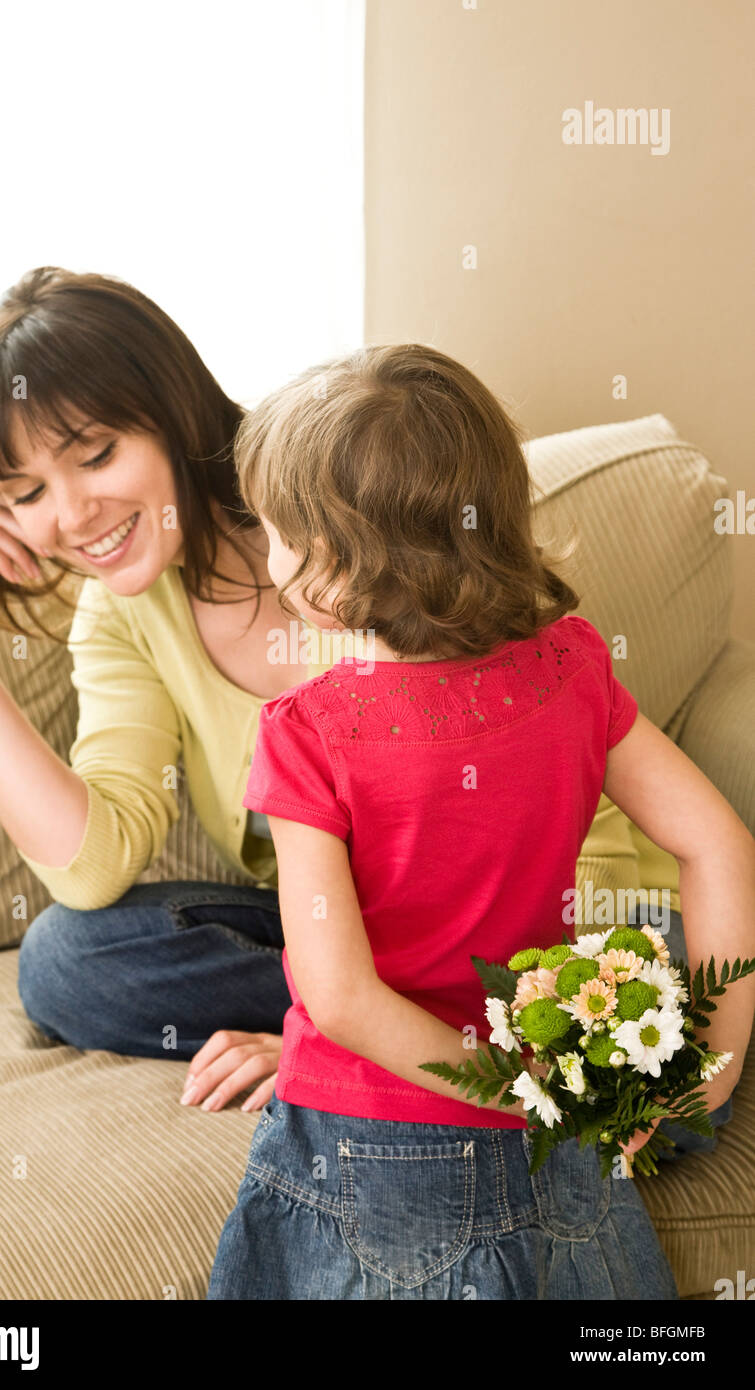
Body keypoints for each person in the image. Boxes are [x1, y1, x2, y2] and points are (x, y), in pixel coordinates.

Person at [205, 343, 755, 1300]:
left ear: (331, 572)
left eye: (275, 529)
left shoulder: (306, 734)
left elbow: (337, 1000)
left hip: (372, 1139)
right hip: (561, 1124)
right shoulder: (571, 669)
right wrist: (704, 1069)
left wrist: (507, 1085)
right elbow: (717, 842)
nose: (266, 549)